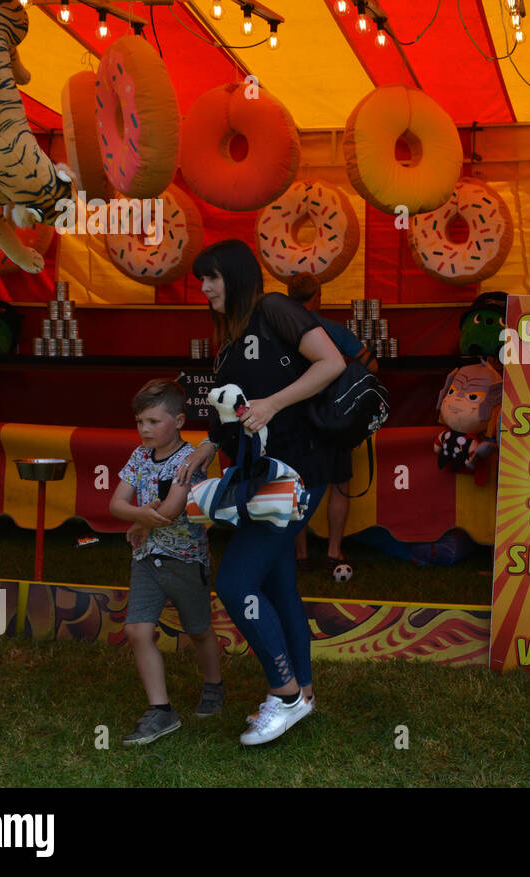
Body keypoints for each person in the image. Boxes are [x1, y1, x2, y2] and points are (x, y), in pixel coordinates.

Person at [175, 240, 346, 745]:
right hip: (259, 476)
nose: (204, 289)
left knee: (235, 583)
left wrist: (272, 403)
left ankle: (285, 695)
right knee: (275, 586)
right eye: (201, 280)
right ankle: (305, 694)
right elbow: (233, 409)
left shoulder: (273, 309)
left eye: (212, 278)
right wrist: (208, 443)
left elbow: (330, 362)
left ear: (237, 276)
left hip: (296, 473)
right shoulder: (228, 335)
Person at [110, 379, 221, 746]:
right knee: (137, 630)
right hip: (145, 559)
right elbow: (115, 504)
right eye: (140, 421)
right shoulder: (138, 456)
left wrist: (139, 518)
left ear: (178, 421)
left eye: (154, 421)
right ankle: (161, 710)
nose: (145, 429)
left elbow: (172, 511)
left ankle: (214, 684)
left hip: (186, 561)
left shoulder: (190, 461)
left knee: (199, 631)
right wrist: (144, 515)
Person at [285, 273, 378, 574]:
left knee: (295, 486)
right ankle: (333, 551)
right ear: (318, 296)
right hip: (332, 417)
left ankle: (300, 555)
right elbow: (372, 365)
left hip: (294, 416)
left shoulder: (279, 329)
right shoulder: (334, 330)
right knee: (339, 483)